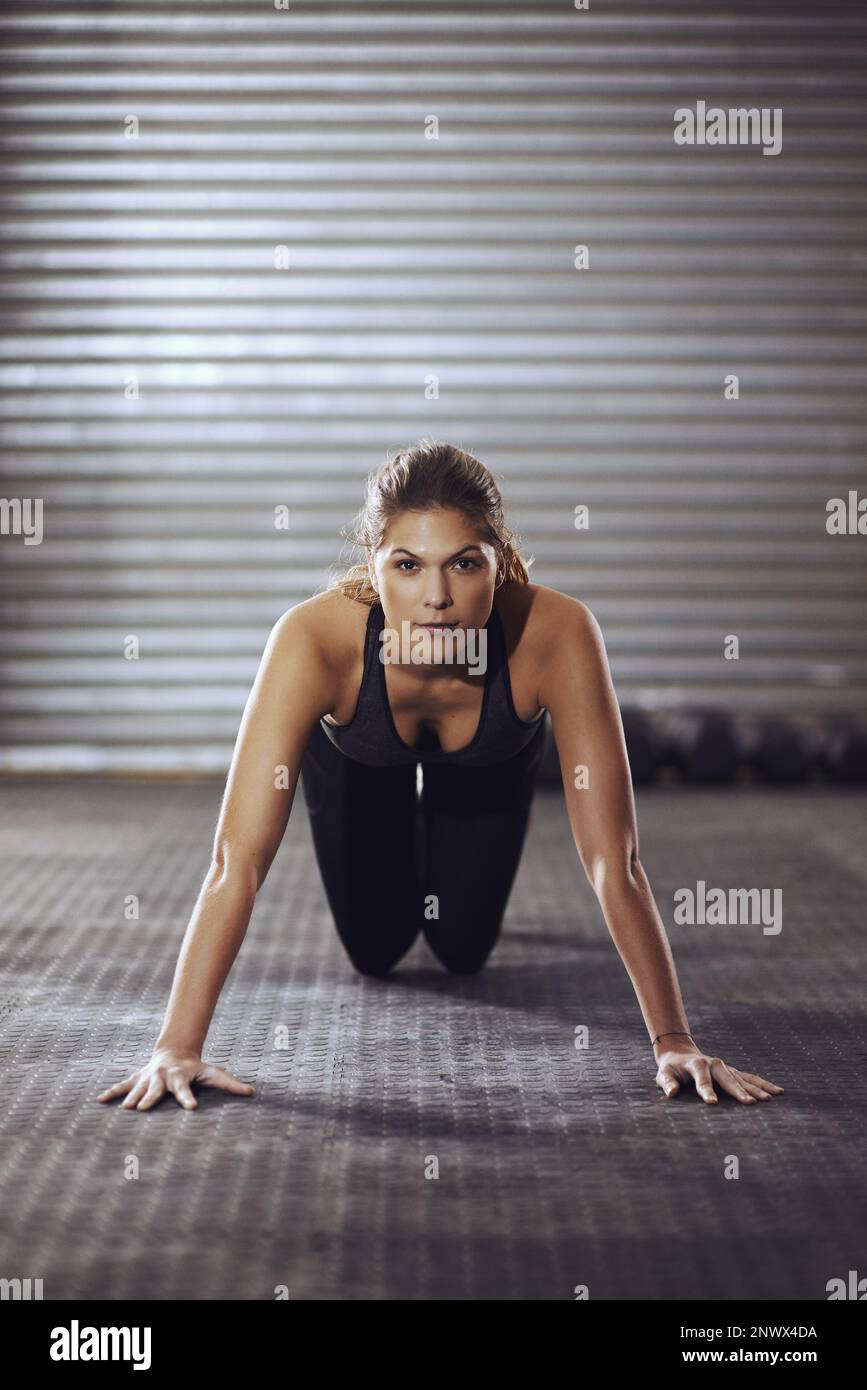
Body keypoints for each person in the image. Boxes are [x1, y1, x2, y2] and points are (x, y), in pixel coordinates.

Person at [98, 439, 783, 1113]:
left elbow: (615, 857)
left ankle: (446, 838)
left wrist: (672, 1039)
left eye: (462, 563)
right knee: (378, 950)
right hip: (358, 768)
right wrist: (177, 1047)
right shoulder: (313, 640)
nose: (435, 597)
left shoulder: (557, 632)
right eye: (406, 565)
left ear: (499, 562)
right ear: (372, 565)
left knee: (460, 950)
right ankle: (400, 824)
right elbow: (234, 860)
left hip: (485, 768)